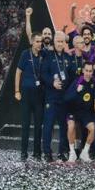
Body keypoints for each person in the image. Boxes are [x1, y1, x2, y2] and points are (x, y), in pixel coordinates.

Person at [40, 31, 72, 162]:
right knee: (48, 125)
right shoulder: (48, 56)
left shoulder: (67, 57)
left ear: (64, 43)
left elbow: (71, 76)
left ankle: (62, 152)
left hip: (64, 98)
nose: (60, 44)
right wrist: (52, 83)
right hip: (51, 97)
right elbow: (43, 74)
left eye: (62, 41)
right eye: (58, 41)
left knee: (64, 126)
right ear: (54, 42)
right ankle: (47, 153)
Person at [14, 32, 44, 161]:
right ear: (32, 42)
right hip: (26, 94)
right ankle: (23, 152)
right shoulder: (25, 54)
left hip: (39, 95)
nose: (39, 44)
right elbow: (18, 72)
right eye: (37, 41)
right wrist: (17, 91)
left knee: (38, 126)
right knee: (25, 125)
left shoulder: (43, 55)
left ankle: (37, 153)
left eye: (41, 41)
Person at [64, 62, 95, 163]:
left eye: (90, 71)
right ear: (83, 71)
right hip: (73, 110)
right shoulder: (77, 81)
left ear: (92, 72)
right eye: (86, 71)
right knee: (71, 126)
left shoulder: (94, 82)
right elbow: (66, 98)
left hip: (85, 112)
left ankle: (84, 152)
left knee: (93, 128)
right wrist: (76, 91)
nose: (88, 73)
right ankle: (72, 152)